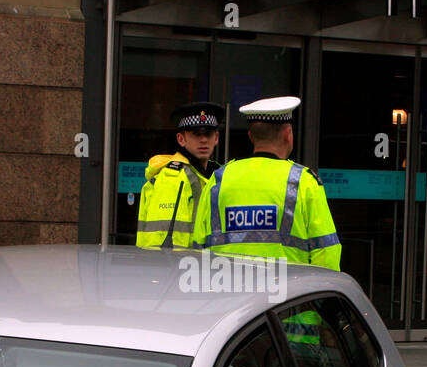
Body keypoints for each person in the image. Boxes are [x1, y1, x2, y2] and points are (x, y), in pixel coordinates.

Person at [192, 96, 341, 270]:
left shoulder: (219, 179)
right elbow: (326, 252)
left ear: (251, 136)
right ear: (288, 134)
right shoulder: (304, 181)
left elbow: (197, 247)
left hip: (226, 293)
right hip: (288, 295)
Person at [135, 102, 222, 249]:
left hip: (200, 266)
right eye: (196, 134)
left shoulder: (214, 176)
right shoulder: (173, 178)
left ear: (216, 138)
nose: (203, 140)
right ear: (181, 139)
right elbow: (165, 241)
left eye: (208, 134)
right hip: (179, 268)